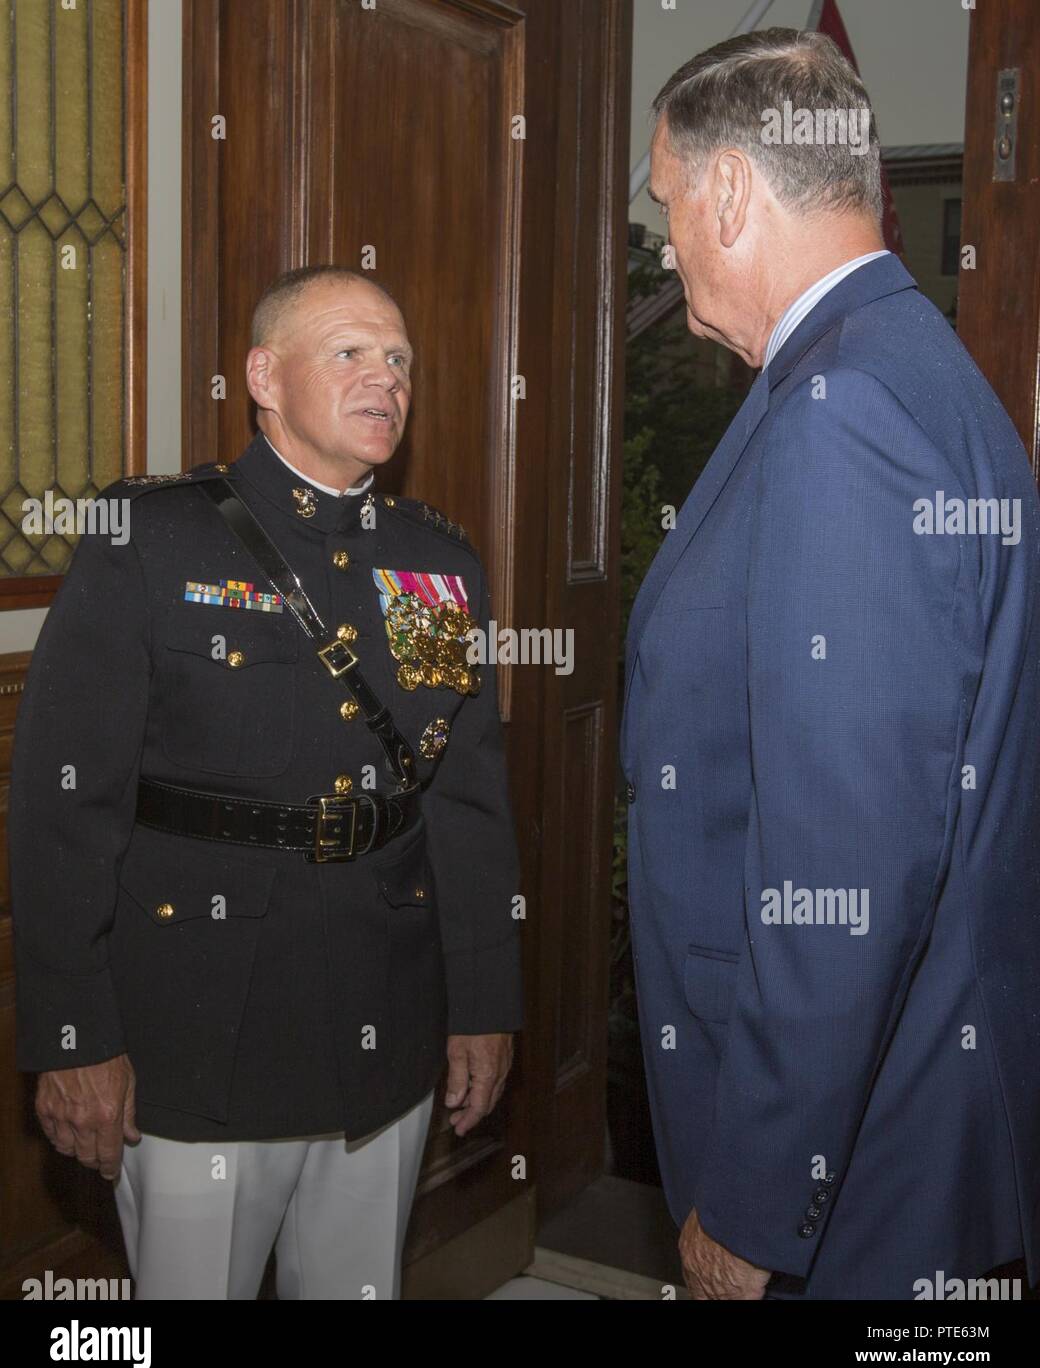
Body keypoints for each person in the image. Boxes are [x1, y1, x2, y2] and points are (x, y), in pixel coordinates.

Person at [622, 29, 1040, 1300]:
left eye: (667, 202)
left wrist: (757, 1201)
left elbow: (847, 866)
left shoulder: (844, 411)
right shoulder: (904, 365)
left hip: (860, 1173)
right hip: (911, 1126)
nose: (664, 241)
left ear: (733, 192)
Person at [11, 266, 524, 1300]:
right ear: (263, 375)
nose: (385, 376)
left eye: (398, 362)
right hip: (196, 1036)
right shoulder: (152, 538)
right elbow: (65, 803)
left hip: (381, 1031)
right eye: (350, 352)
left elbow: (460, 802)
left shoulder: (429, 567)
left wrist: (482, 999)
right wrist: (73, 1032)